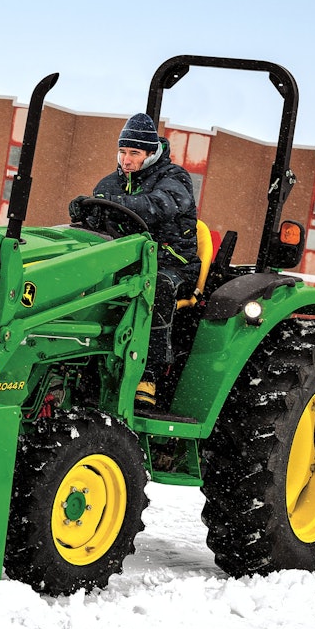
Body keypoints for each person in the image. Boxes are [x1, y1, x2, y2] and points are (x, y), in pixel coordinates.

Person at [68, 112, 200, 411]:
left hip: (172, 261)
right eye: (123, 152)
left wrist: (117, 204)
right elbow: (96, 224)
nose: (126, 160)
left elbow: (157, 206)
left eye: (134, 153)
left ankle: (148, 374)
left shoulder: (175, 179)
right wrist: (81, 212)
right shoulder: (109, 183)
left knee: (157, 286)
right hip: (125, 260)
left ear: (151, 154)